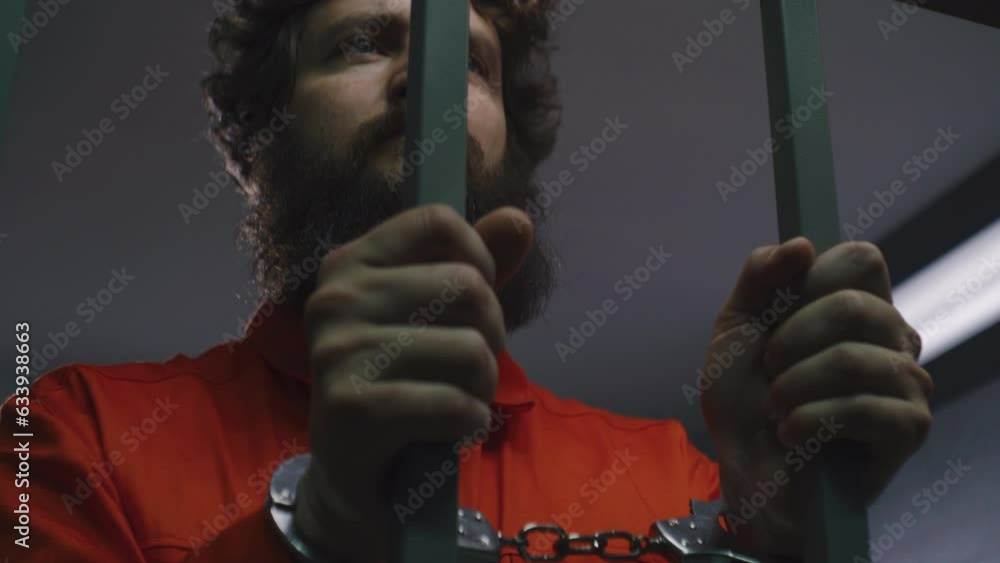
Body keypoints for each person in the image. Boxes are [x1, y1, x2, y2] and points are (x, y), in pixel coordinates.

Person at [1, 1, 933, 561]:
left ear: (510, 141)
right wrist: (324, 527)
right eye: (362, 42)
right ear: (262, 138)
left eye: (472, 66)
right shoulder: (65, 435)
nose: (426, 81)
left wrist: (775, 533)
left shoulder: (674, 479)